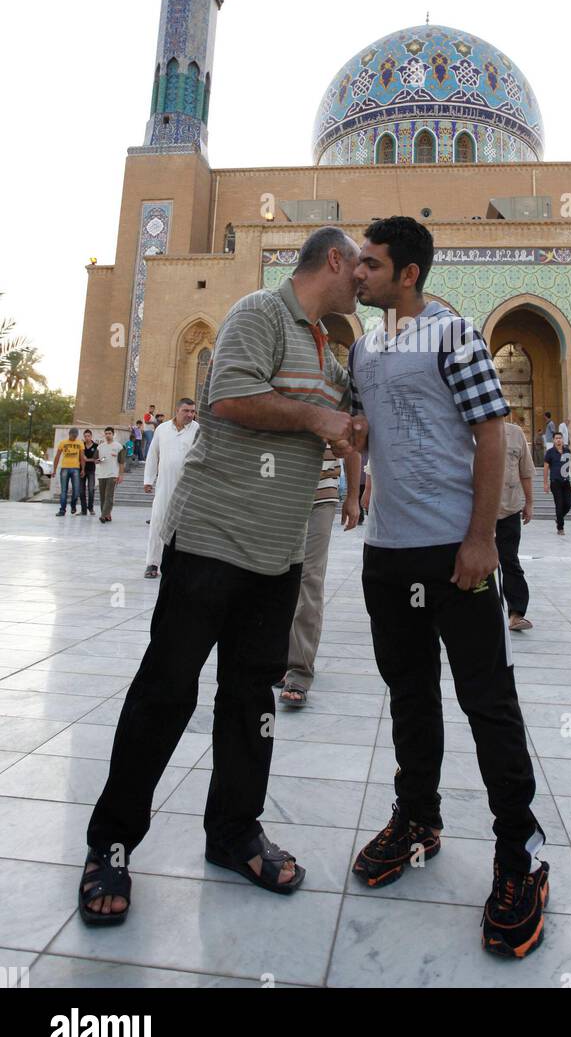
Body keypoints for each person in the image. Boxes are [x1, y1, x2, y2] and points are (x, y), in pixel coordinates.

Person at [77, 225, 367, 925]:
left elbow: (345, 425)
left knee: (250, 701)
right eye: (359, 265)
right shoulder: (260, 314)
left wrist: (355, 471)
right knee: (166, 693)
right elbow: (230, 398)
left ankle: (233, 831)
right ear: (333, 259)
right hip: (212, 540)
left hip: (278, 553)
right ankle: (110, 844)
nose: (365, 278)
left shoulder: (333, 345)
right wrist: (314, 416)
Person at [349, 216, 548, 961]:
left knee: (486, 701)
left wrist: (480, 538)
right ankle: (417, 818)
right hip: (390, 554)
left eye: (370, 264)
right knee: (409, 695)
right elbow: (362, 427)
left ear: (407, 274)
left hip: (453, 555)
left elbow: (491, 429)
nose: (357, 273)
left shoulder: (452, 335)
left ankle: (518, 854)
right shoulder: (366, 347)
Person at [277, 444, 360, 706]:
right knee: (275, 578)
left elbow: (352, 446)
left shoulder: (337, 401)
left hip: (321, 497)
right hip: (278, 495)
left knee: (309, 580)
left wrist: (353, 497)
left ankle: (299, 672)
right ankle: (279, 659)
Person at [143, 398, 199, 578]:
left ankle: (183, 565)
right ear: (177, 410)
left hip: (188, 487)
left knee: (187, 527)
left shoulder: (198, 430)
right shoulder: (162, 429)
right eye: (186, 411)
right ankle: (152, 563)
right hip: (164, 486)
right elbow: (153, 454)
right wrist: (148, 479)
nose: (190, 414)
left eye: (192, 411)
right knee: (158, 522)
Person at [496, 416, 535, 632]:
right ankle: (487, 612)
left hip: (509, 510)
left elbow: (526, 472)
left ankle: (516, 613)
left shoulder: (516, 433)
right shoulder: (469, 430)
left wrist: (529, 503)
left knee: (509, 561)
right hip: (476, 511)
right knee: (478, 564)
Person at [544, 437, 571, 534]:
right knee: (559, 504)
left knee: (568, 504)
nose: (558, 440)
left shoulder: (567, 451)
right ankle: (560, 528)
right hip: (555, 482)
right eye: (556, 438)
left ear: (562, 440)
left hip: (566, 482)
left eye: (560, 438)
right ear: (553, 440)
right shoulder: (550, 452)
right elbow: (546, 468)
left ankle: (559, 517)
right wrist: (545, 483)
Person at [96, 428, 126, 522]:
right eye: (106, 433)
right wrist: (97, 460)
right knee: (102, 496)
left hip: (113, 474)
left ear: (113, 434)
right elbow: (95, 459)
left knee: (109, 496)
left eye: (109, 433)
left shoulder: (119, 446)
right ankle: (107, 515)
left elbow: (121, 462)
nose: (108, 435)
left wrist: (120, 475)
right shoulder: (100, 447)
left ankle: (103, 515)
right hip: (102, 475)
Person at [54, 428, 84, 516]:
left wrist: (83, 469)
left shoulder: (80, 443)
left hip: (76, 468)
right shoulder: (63, 443)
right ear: (69, 434)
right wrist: (54, 470)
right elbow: (57, 456)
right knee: (64, 491)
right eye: (73, 435)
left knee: (76, 491)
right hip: (65, 468)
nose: (74, 437)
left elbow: (82, 457)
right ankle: (62, 510)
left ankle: (73, 505)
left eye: (76, 436)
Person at [79, 429, 99, 515]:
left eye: (88, 436)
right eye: (85, 436)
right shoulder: (81, 445)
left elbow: (98, 459)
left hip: (91, 470)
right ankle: (83, 510)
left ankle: (90, 508)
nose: (87, 438)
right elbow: (80, 458)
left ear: (91, 436)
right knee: (81, 491)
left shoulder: (96, 446)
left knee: (91, 489)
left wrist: (88, 459)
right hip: (82, 470)